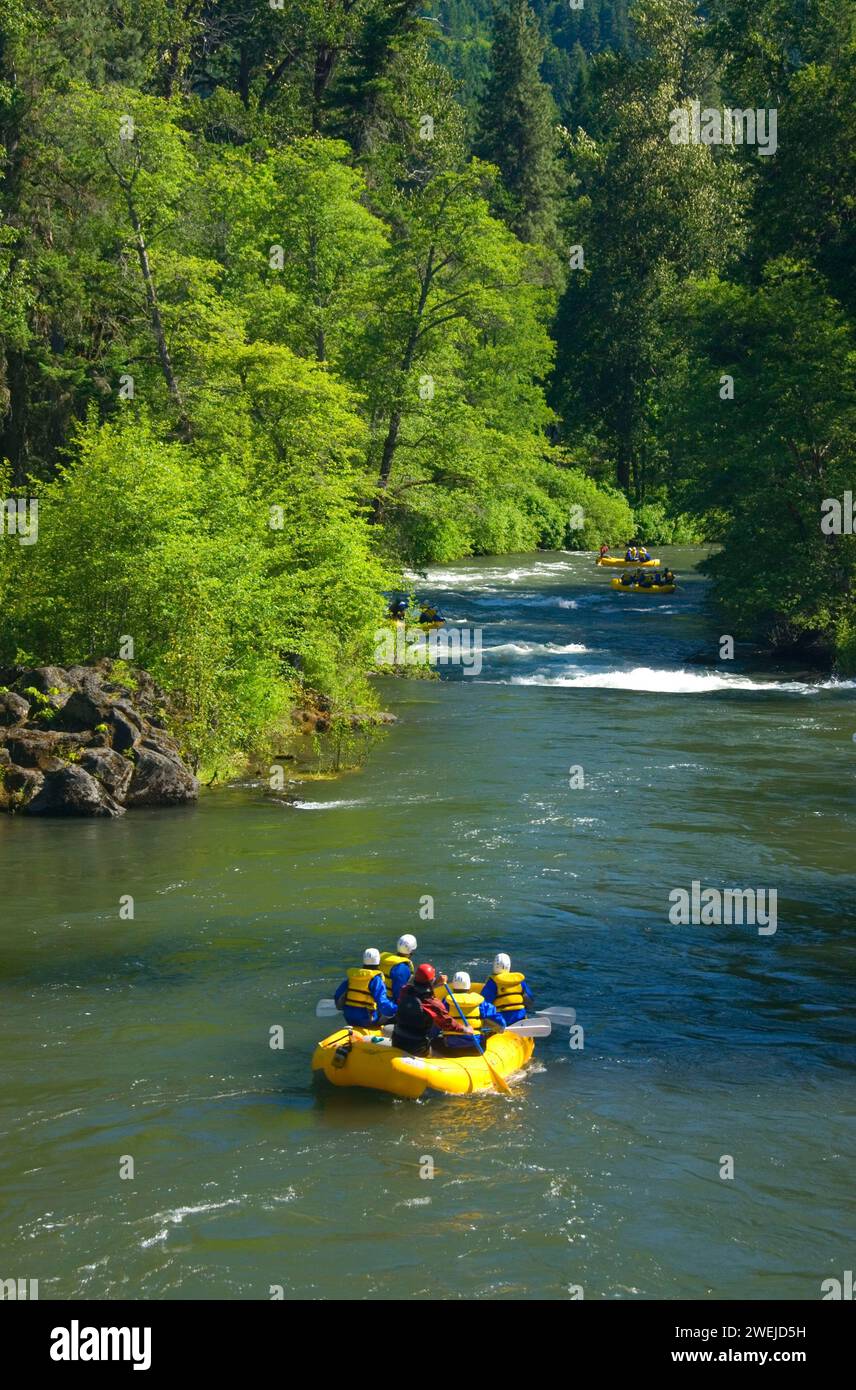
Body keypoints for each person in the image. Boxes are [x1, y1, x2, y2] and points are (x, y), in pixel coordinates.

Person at [391, 963, 470, 1056]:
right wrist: (465, 1029)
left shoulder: (405, 991)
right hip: (417, 1046)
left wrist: (435, 982)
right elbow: (446, 1023)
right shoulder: (433, 1004)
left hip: (397, 1039)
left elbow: (417, 988)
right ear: (431, 981)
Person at [432, 971, 505, 1055]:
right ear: (469, 985)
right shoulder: (480, 1002)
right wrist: (498, 1029)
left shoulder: (447, 1001)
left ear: (453, 985)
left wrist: (431, 1036)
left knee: (434, 1042)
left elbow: (438, 1022)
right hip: (476, 1048)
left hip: (452, 1048)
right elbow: (499, 1022)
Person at [334, 948, 395, 1028]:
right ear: (378, 961)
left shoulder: (352, 977)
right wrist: (397, 1009)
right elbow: (383, 1004)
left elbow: (337, 996)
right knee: (393, 1017)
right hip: (367, 1020)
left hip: (348, 1017)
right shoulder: (376, 979)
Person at [480, 953, 532, 1024]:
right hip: (520, 1017)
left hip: (502, 1019)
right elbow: (529, 1000)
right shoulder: (519, 981)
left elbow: (484, 1003)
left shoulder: (493, 982)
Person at [379, 934, 417, 1003]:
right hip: (390, 1004)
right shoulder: (402, 968)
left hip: (377, 999)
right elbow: (399, 995)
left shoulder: (382, 958)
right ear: (411, 951)